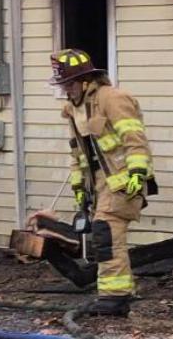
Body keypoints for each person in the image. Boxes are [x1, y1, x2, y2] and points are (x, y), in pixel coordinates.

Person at [50, 48, 154, 317]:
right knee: (102, 237)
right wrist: (78, 188)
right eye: (63, 86)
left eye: (69, 85)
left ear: (85, 81)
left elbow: (135, 139)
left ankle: (114, 298)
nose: (66, 91)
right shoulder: (73, 110)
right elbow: (78, 153)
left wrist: (137, 174)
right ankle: (111, 295)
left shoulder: (113, 99)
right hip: (97, 185)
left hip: (122, 182)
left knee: (107, 233)